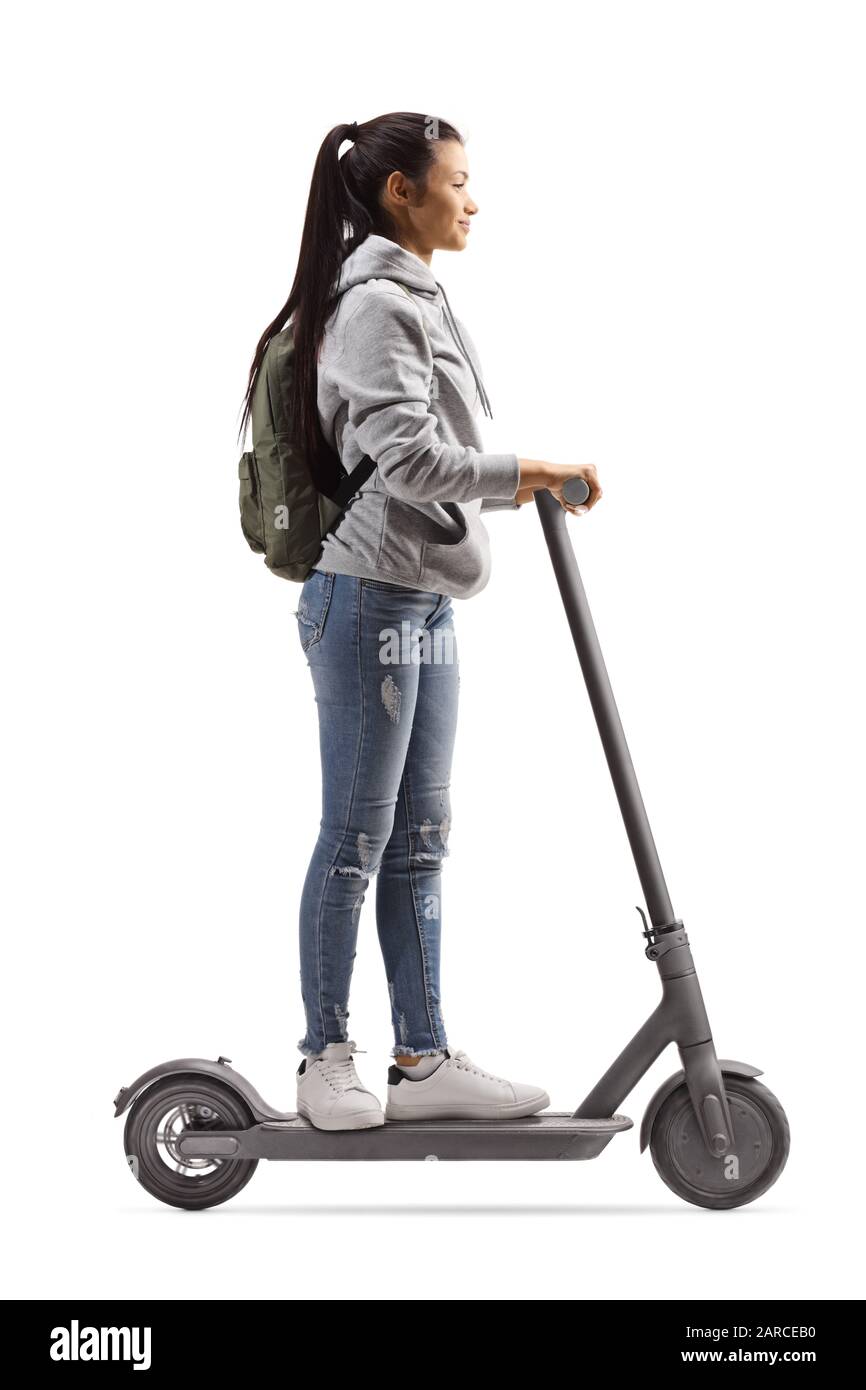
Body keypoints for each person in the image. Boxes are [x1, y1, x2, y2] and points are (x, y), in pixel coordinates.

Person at [240, 112, 602, 1130]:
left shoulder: (416, 296)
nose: (472, 199)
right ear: (402, 191)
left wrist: (513, 479)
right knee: (357, 835)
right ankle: (324, 1057)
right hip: (364, 600)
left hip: (421, 596)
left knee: (419, 837)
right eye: (458, 180)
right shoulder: (372, 307)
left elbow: (423, 454)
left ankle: (423, 1054)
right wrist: (529, 470)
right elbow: (406, 461)